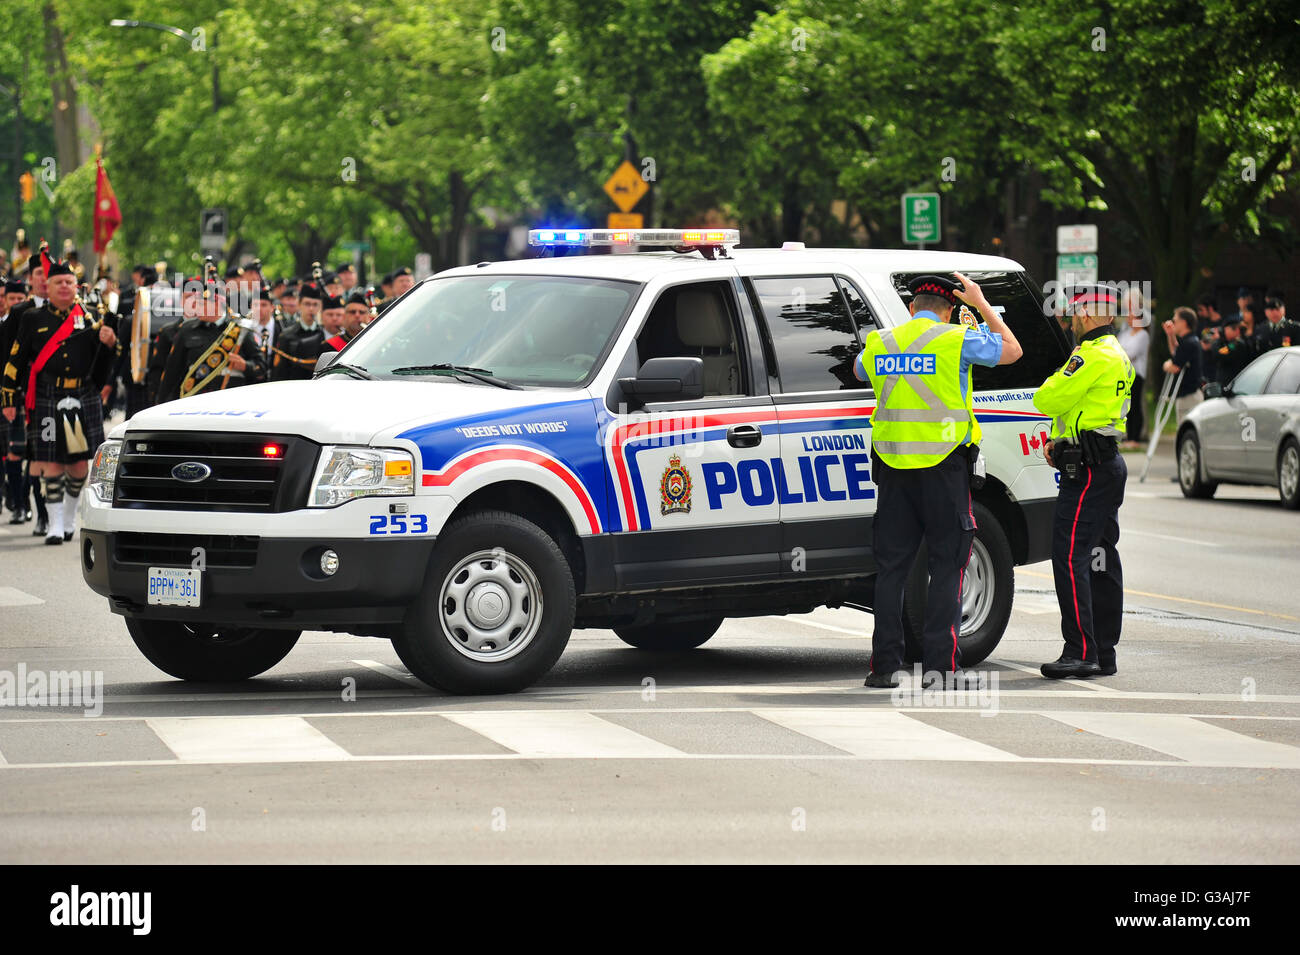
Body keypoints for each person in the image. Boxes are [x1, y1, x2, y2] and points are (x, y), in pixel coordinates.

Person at [857, 273, 1022, 689]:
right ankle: (940, 670)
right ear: (949, 310)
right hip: (944, 470)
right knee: (947, 565)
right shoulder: (956, 340)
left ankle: (883, 668)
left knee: (891, 569)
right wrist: (982, 306)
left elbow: (860, 371)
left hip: (894, 472)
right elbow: (1013, 351)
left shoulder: (881, 342)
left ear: (912, 307)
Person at [1033, 284, 1134, 679]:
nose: (1070, 320)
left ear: (1089, 314)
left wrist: (1057, 383)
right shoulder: (1116, 353)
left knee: (1070, 557)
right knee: (1101, 557)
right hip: (1103, 462)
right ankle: (1103, 650)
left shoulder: (1090, 355)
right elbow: (1078, 407)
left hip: (1090, 471)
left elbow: (1047, 398)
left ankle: (1080, 650)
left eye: (1075, 313)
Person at [1, 252, 117, 544]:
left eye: (69, 281)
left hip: (82, 394)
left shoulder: (90, 316)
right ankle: (53, 525)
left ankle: (68, 516)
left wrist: (109, 344)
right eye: (59, 282)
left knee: (79, 466)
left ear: (76, 286)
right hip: (47, 396)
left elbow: (101, 364)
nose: (65, 286)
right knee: (50, 460)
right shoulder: (31, 318)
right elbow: (16, 359)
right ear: (47, 288)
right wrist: (8, 398)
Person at [155, 273, 266, 404]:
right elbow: (172, 373)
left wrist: (245, 366)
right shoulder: (187, 330)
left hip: (232, 404)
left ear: (218, 304)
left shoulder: (240, 330)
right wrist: (161, 403)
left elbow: (262, 368)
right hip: (195, 402)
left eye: (202, 304)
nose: (196, 308)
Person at [271, 281, 327, 380]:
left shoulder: (324, 334)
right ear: (299, 305)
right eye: (307, 304)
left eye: (315, 304)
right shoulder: (286, 335)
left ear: (320, 307)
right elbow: (279, 371)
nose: (311, 308)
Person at [1116, 297, 1149, 447]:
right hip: (1124, 373)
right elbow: (1116, 347)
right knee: (1127, 406)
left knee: (1135, 405)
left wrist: (1122, 352)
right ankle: (1128, 435)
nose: (1128, 319)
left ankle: (1135, 437)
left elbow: (1132, 353)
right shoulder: (1125, 333)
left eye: (1131, 316)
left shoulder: (1143, 335)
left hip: (1137, 373)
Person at [1161, 306, 1203, 425]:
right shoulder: (1189, 341)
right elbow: (1176, 354)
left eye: (1175, 321)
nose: (1173, 323)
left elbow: (1175, 367)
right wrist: (1170, 335)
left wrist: (1166, 365)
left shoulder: (1189, 343)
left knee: (1186, 429)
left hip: (1188, 396)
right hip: (1189, 395)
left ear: (1183, 322)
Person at [1214, 313, 1254, 386]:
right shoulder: (1219, 343)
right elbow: (1219, 354)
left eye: (1239, 329)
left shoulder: (1244, 342)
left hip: (1241, 381)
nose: (1237, 331)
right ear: (1226, 329)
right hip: (1225, 382)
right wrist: (1232, 345)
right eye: (1234, 328)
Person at [1196, 294, 1224, 384]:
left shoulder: (1224, 324)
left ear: (1210, 308)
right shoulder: (1201, 325)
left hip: (1218, 366)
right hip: (1204, 367)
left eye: (1201, 309)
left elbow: (1227, 347)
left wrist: (1214, 344)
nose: (1199, 313)